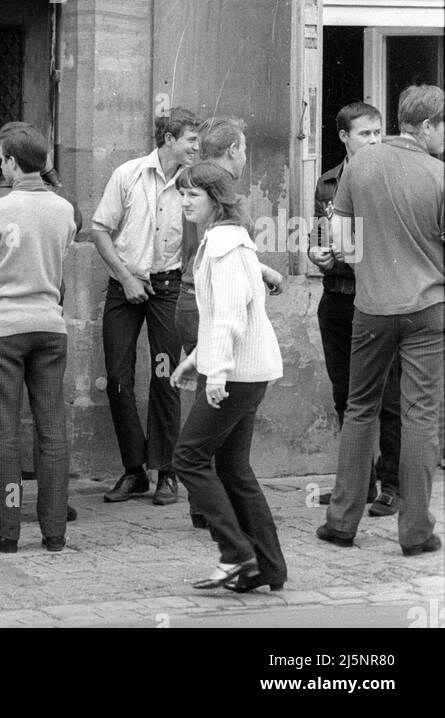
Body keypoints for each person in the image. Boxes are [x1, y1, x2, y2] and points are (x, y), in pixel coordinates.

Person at [317, 85, 444, 557]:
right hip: (428, 309)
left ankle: (341, 522)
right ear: (427, 125)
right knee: (420, 417)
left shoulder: (362, 163)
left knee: (359, 408)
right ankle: (415, 531)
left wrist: (369, 266)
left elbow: (344, 244)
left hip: (370, 308)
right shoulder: (439, 175)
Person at [171, 162, 287, 593]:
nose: (184, 202)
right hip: (245, 371)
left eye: (193, 195)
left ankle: (236, 553)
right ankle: (267, 568)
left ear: (215, 200)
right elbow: (225, 314)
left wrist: (215, 372)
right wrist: (197, 360)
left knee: (188, 458)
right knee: (234, 468)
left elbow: (230, 318)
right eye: (181, 193)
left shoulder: (221, 245)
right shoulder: (228, 241)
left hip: (236, 375)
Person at [0, 123, 77, 553]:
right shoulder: (63, 209)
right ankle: (54, 530)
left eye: (3, 159)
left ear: (10, 162)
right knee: (52, 430)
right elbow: (59, 255)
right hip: (50, 325)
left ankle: (6, 528)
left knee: (5, 432)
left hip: (6, 329)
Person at [92, 107, 200, 506]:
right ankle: (134, 470)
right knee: (118, 379)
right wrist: (125, 277)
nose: (196, 147)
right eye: (191, 140)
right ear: (169, 139)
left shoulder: (193, 182)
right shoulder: (129, 173)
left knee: (165, 375)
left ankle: (166, 472)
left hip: (169, 287)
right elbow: (100, 230)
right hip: (126, 285)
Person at [306, 103, 401, 515]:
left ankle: (394, 485)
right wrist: (317, 253)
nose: (375, 141)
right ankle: (359, 485)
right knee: (345, 394)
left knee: (390, 397)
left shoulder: (395, 179)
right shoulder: (328, 182)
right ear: (344, 137)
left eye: (379, 132)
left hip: (380, 298)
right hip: (338, 298)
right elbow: (317, 232)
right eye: (365, 134)